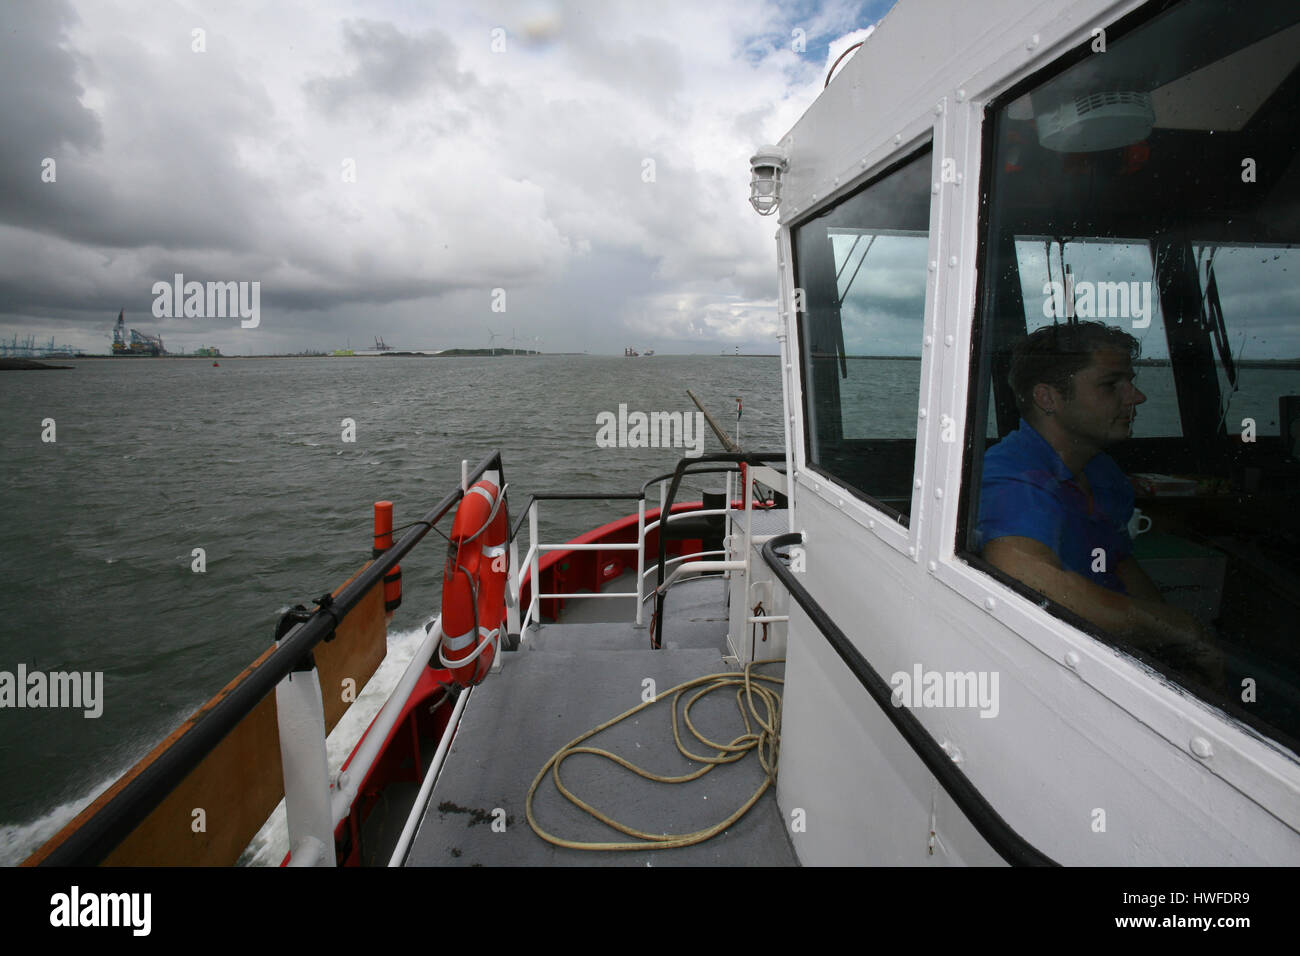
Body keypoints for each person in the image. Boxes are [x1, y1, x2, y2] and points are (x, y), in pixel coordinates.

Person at [977, 321, 1220, 680]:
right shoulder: (1011, 477)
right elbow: (1026, 575)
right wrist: (1181, 629)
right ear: (1049, 398)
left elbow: (1117, 563)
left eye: (1130, 381)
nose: (1136, 397)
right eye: (1111, 385)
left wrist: (1175, 649)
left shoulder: (1102, 472)